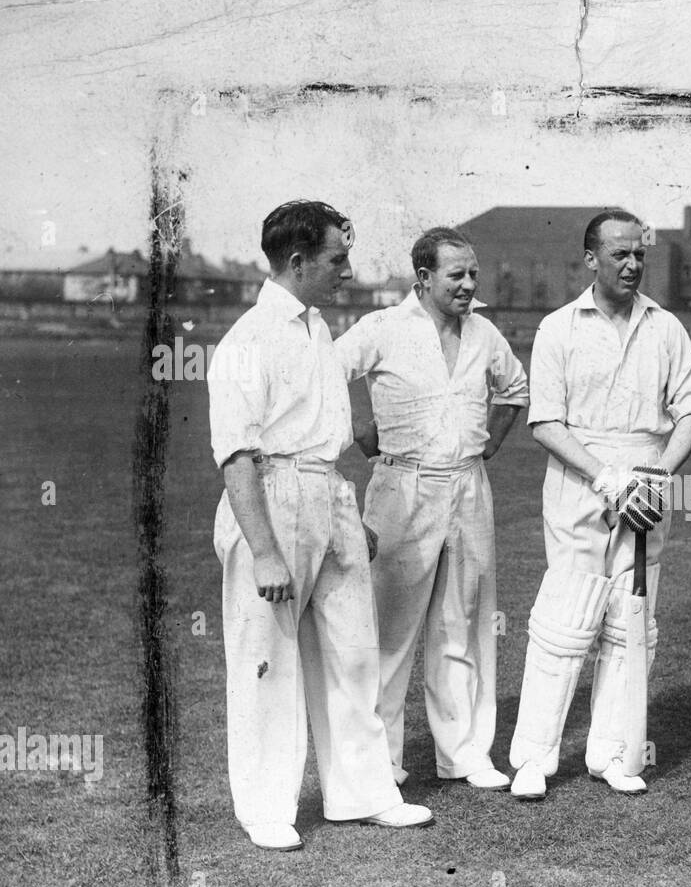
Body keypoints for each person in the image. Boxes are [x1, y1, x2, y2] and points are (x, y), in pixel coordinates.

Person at [207, 200, 433, 852]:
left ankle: (361, 792)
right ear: (299, 261)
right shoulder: (248, 340)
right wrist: (266, 552)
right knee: (265, 660)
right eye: (338, 259)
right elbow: (237, 457)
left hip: (328, 496)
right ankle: (266, 807)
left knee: (354, 653)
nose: (348, 270)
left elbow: (324, 434)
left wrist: (343, 509)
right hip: (270, 504)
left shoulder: (317, 330)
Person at [507, 208, 691, 800]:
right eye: (619, 253)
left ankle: (615, 754)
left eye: (639, 253)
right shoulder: (559, 328)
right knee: (566, 622)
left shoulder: (665, 327)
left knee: (631, 624)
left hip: (646, 490)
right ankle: (534, 758)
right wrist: (609, 480)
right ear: (591, 259)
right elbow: (545, 422)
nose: (632, 263)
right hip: (580, 484)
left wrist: (655, 477)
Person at [336, 227, 528, 791]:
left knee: (463, 626)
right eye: (457, 275)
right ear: (423, 278)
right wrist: (362, 434)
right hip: (401, 488)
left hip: (470, 487)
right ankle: (383, 760)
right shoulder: (382, 329)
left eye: (473, 274)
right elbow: (320, 376)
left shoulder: (485, 333)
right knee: (390, 633)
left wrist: (488, 443)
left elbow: (515, 389)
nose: (470, 285)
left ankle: (464, 754)